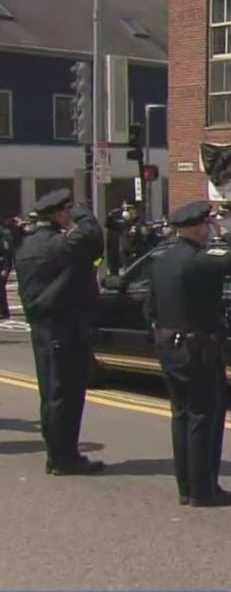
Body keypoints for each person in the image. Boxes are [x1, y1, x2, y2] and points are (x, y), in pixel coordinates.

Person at [144, 200, 231, 506]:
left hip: (169, 346)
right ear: (197, 227)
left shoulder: (160, 261)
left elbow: (150, 308)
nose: (209, 230)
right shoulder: (200, 260)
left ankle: (186, 487)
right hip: (197, 349)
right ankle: (204, 490)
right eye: (207, 225)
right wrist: (229, 233)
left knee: (181, 416)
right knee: (203, 418)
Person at [14, 189, 105, 475]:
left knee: (51, 391)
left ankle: (57, 454)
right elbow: (91, 237)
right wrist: (82, 212)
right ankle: (63, 457)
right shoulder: (54, 244)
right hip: (62, 325)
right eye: (67, 210)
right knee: (65, 393)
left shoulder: (28, 244)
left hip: (43, 326)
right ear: (58, 213)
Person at [0, 220, 12, 320]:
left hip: (2, 265)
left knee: (1, 290)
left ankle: (4, 312)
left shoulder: (4, 236)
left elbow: (7, 253)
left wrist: (5, 268)